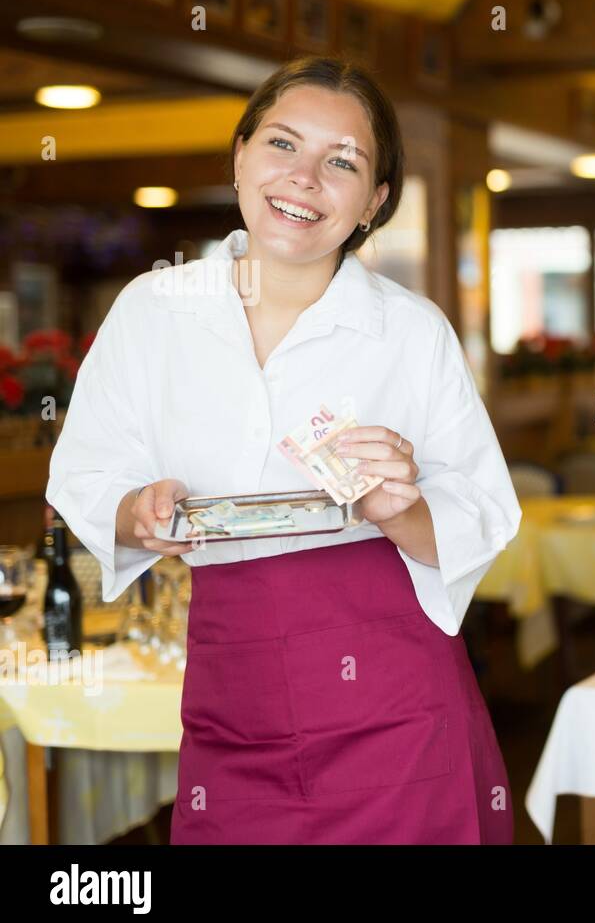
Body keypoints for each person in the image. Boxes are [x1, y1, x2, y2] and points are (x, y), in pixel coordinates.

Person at [46, 57, 521, 844]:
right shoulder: (154, 311)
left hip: (397, 705)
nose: (304, 178)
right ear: (239, 155)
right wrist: (138, 512)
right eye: (282, 144)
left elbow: (483, 514)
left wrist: (400, 511)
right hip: (234, 694)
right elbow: (86, 475)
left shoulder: (411, 332)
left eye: (343, 162)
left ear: (374, 203)